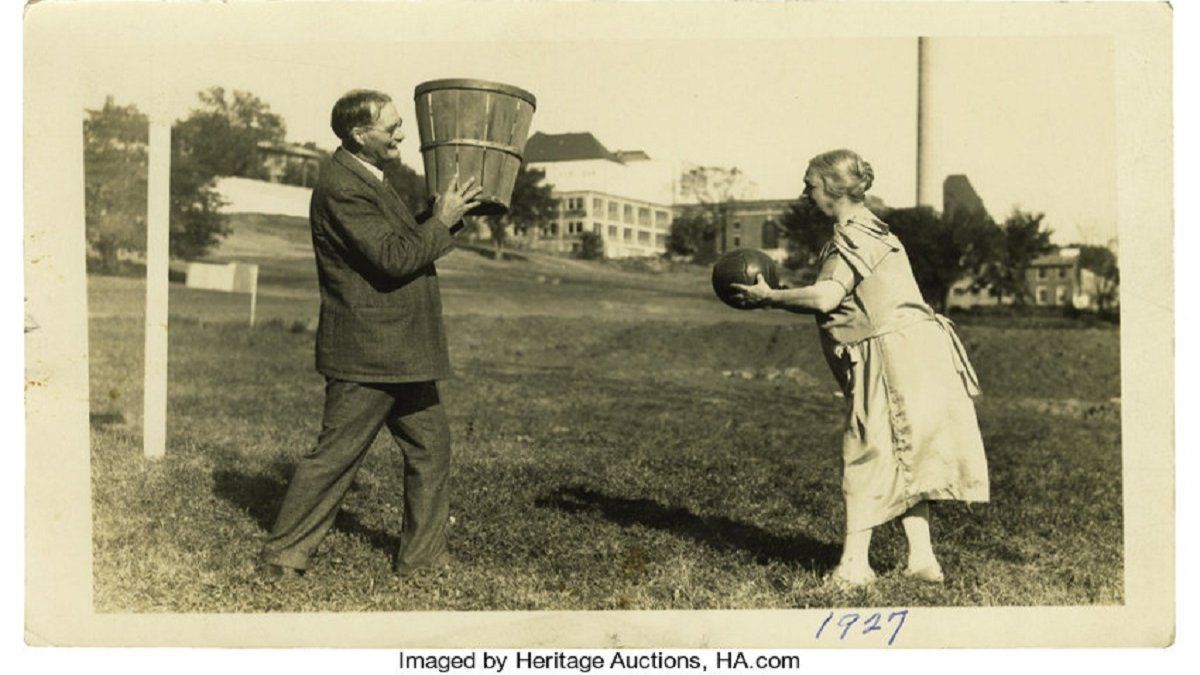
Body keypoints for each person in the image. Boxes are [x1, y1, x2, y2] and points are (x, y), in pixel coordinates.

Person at [732, 149, 989, 586]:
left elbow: (826, 297)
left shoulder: (855, 235)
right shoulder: (873, 230)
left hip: (892, 355)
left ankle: (854, 567)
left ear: (834, 188)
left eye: (810, 184)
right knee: (908, 453)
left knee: (867, 449)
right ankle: (923, 560)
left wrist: (768, 298)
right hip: (913, 351)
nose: (805, 192)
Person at [260, 89, 482, 578]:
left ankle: (421, 561)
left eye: (400, 123)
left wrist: (444, 216)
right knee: (336, 456)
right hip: (369, 351)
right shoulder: (343, 187)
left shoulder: (369, 177)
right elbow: (394, 258)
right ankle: (282, 558)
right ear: (360, 135)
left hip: (400, 350)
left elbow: (398, 242)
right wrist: (440, 222)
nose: (402, 133)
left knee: (432, 448)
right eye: (393, 127)